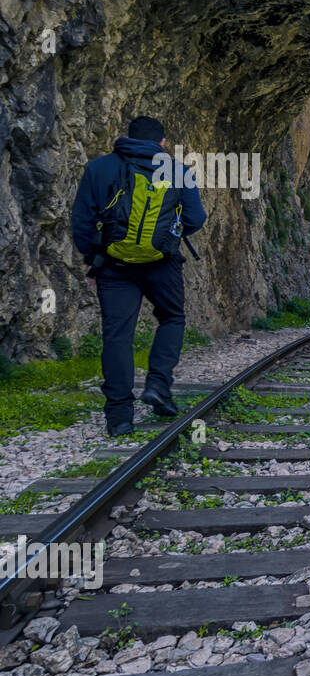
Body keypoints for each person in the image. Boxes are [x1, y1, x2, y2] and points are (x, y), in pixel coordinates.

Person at [70, 116, 206, 436]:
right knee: (172, 317)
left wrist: (94, 258)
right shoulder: (177, 170)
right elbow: (196, 217)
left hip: (114, 266)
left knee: (117, 336)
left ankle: (119, 417)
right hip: (162, 262)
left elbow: (82, 222)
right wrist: (169, 237)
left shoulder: (99, 168)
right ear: (162, 143)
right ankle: (158, 384)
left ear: (126, 138)